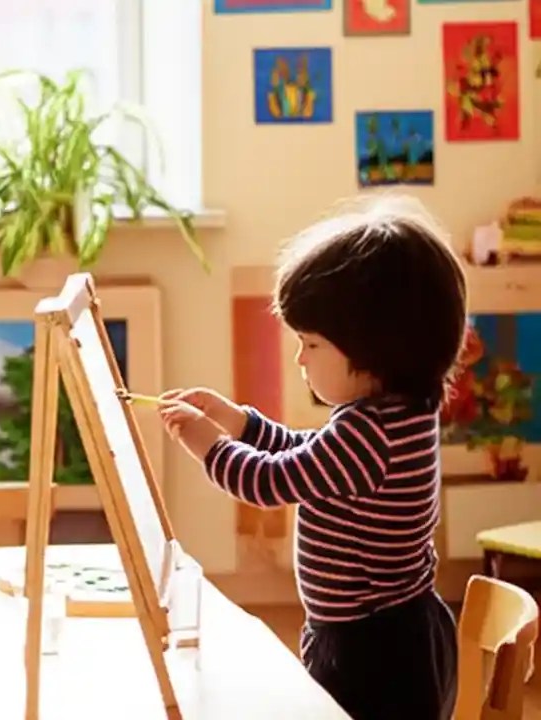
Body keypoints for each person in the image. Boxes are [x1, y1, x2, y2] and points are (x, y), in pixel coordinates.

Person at [157, 196, 464, 720]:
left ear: (372, 349)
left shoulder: (371, 434)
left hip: (373, 650)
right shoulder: (395, 412)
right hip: (391, 630)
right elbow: (308, 459)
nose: (299, 358)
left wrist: (207, 443)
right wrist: (241, 423)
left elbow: (268, 483)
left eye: (311, 345)